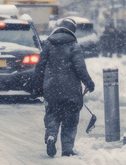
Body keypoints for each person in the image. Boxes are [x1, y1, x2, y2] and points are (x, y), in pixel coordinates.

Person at [35, 18, 95, 157]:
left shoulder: (48, 44)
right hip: (71, 90)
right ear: (73, 31)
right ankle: (67, 150)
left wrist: (37, 86)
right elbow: (80, 68)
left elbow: (40, 67)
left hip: (51, 88)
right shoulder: (74, 45)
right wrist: (89, 83)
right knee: (70, 119)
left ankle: (51, 136)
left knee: (52, 114)